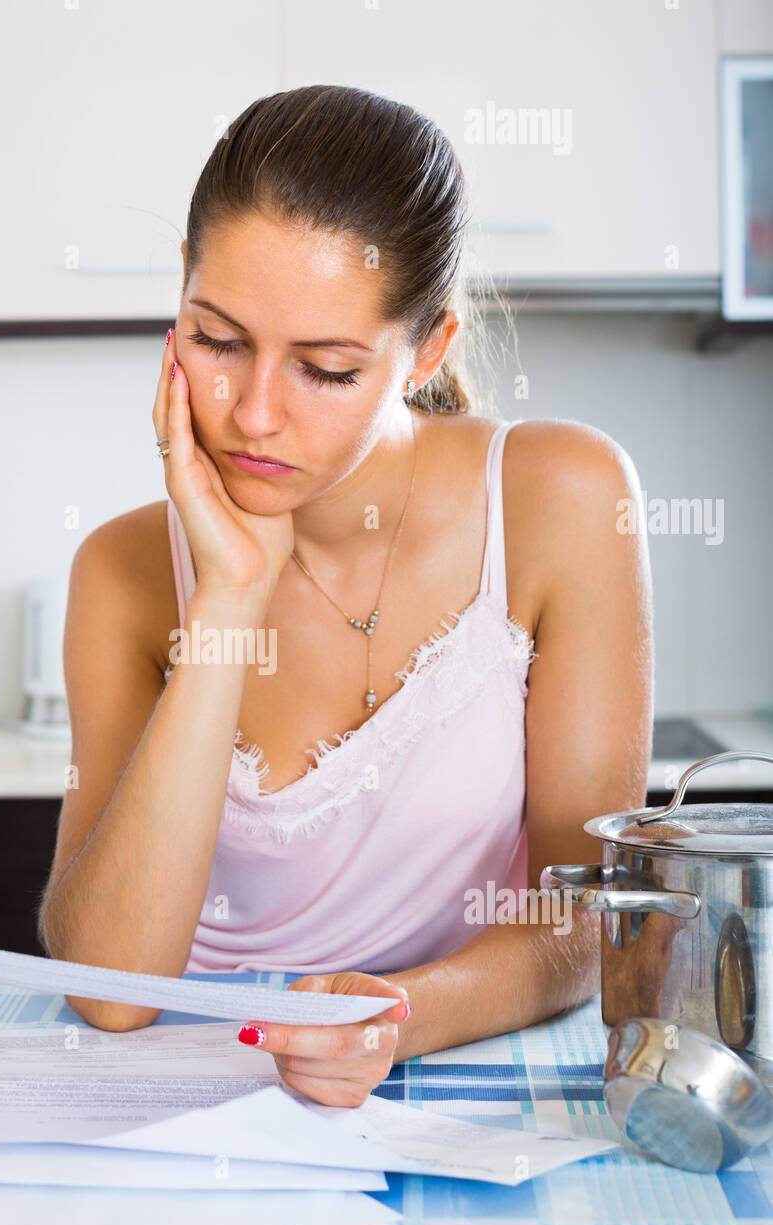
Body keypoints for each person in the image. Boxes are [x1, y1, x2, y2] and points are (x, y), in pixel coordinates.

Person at [39, 85, 653, 1107]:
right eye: (217, 340)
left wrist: (399, 1014)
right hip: (179, 1095)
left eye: (325, 369)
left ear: (426, 353)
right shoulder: (121, 571)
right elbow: (110, 992)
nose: (254, 414)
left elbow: (591, 913)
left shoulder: (563, 499)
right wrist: (230, 598)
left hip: (451, 1072)